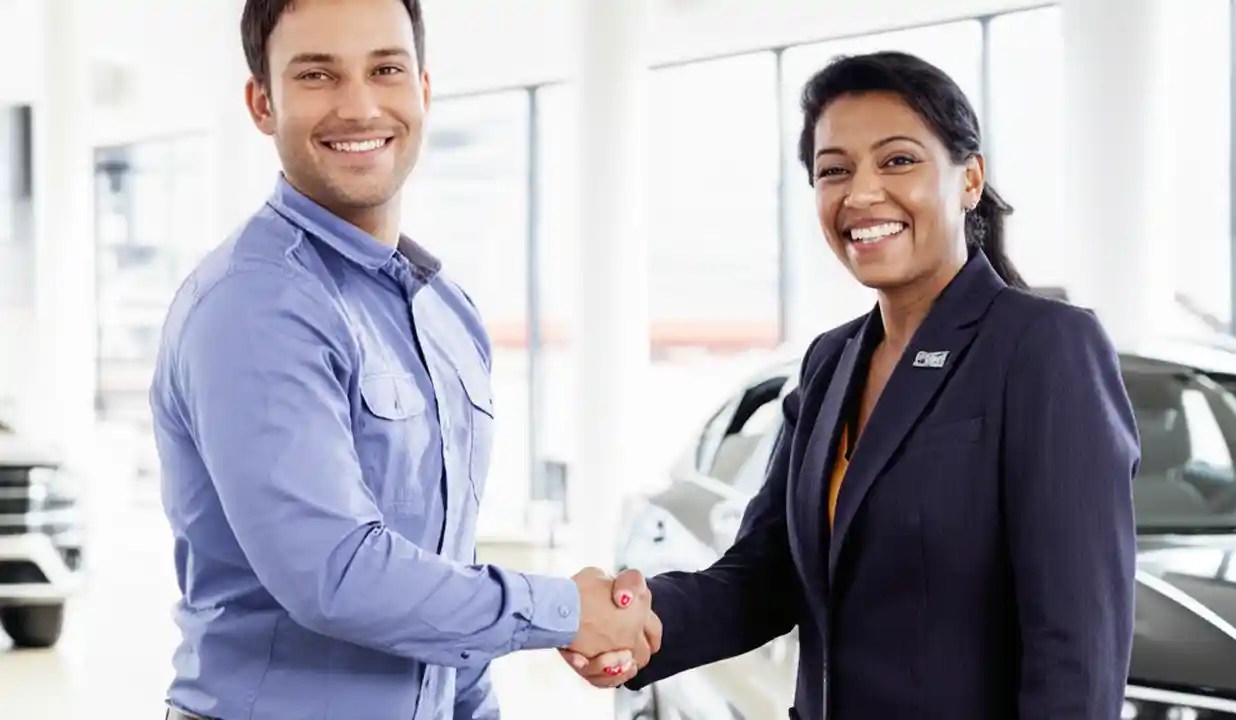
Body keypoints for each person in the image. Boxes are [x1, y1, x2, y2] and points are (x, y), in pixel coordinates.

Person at [565, 51, 1140, 718]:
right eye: (833, 170)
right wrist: (639, 624)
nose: (861, 194)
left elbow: (1078, 647)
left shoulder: (1042, 347)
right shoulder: (831, 362)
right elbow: (765, 577)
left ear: (970, 180)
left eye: (898, 160)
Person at [149, 1, 656, 718]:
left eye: (385, 69)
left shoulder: (447, 312)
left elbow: (443, 578)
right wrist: (566, 611)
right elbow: (336, 573)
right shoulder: (255, 303)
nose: (359, 107)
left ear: (423, 87)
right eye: (318, 75)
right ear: (263, 103)